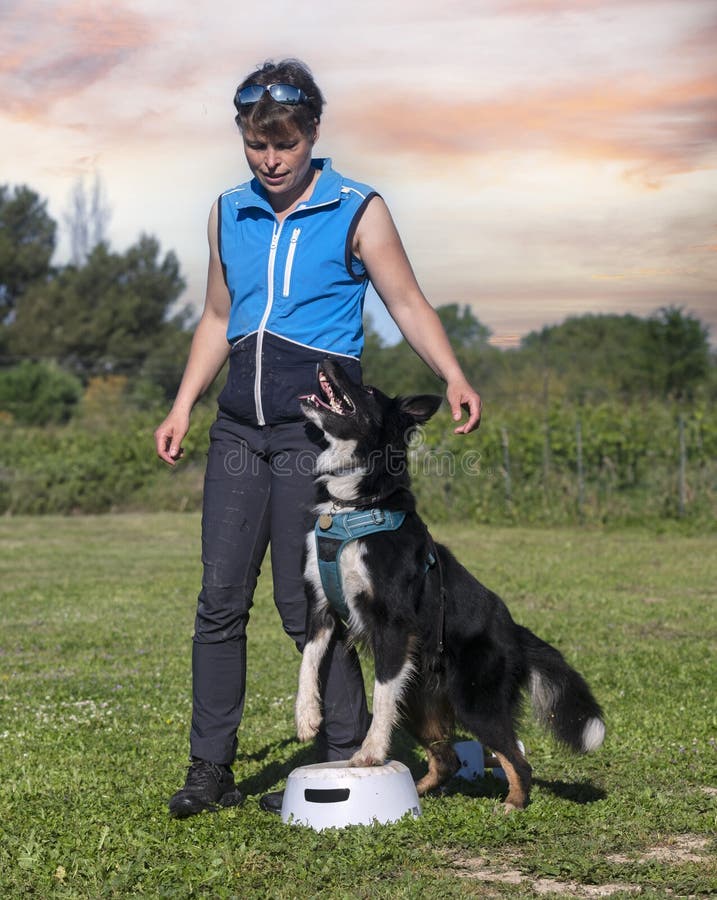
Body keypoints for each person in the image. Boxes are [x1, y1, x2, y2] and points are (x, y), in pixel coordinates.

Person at [155, 58, 482, 819]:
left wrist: (454, 372)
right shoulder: (226, 211)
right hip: (238, 427)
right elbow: (215, 318)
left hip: (315, 437)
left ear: (312, 134)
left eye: (286, 143)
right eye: (256, 144)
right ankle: (210, 768)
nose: (270, 160)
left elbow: (405, 300)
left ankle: (347, 755)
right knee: (218, 600)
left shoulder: (358, 207)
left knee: (307, 603)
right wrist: (181, 405)